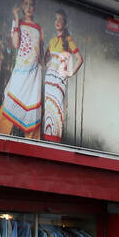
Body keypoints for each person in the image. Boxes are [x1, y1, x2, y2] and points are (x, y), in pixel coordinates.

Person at [0, 0, 44, 137]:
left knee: (33, 105)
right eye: (26, 4)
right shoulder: (17, 23)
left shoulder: (39, 28)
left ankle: (33, 144)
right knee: (12, 100)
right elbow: (15, 44)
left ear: (35, 7)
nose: (29, 7)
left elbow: (41, 50)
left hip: (34, 74)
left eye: (32, 4)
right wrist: (16, 18)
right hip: (21, 70)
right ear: (21, 6)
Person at [42, 10, 83, 143]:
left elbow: (80, 59)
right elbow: (46, 56)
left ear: (65, 24)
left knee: (57, 109)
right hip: (49, 79)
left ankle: (54, 142)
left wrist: (70, 73)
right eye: (56, 19)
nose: (58, 22)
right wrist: (48, 64)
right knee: (48, 108)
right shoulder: (52, 40)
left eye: (61, 20)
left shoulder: (68, 40)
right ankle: (47, 140)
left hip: (59, 81)